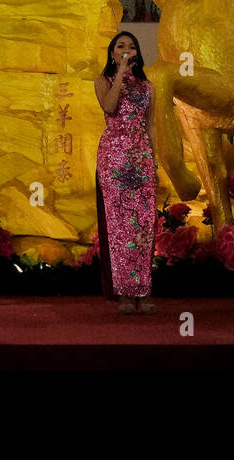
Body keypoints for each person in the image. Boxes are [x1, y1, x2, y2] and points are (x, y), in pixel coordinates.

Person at [94, 31, 157, 314]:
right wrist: (119, 73)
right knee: (119, 226)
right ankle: (123, 293)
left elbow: (151, 125)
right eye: (121, 46)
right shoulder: (102, 81)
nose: (127, 49)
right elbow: (109, 106)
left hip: (140, 154)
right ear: (112, 53)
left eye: (132, 46)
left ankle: (143, 291)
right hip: (114, 157)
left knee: (144, 224)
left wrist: (153, 162)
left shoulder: (148, 87)